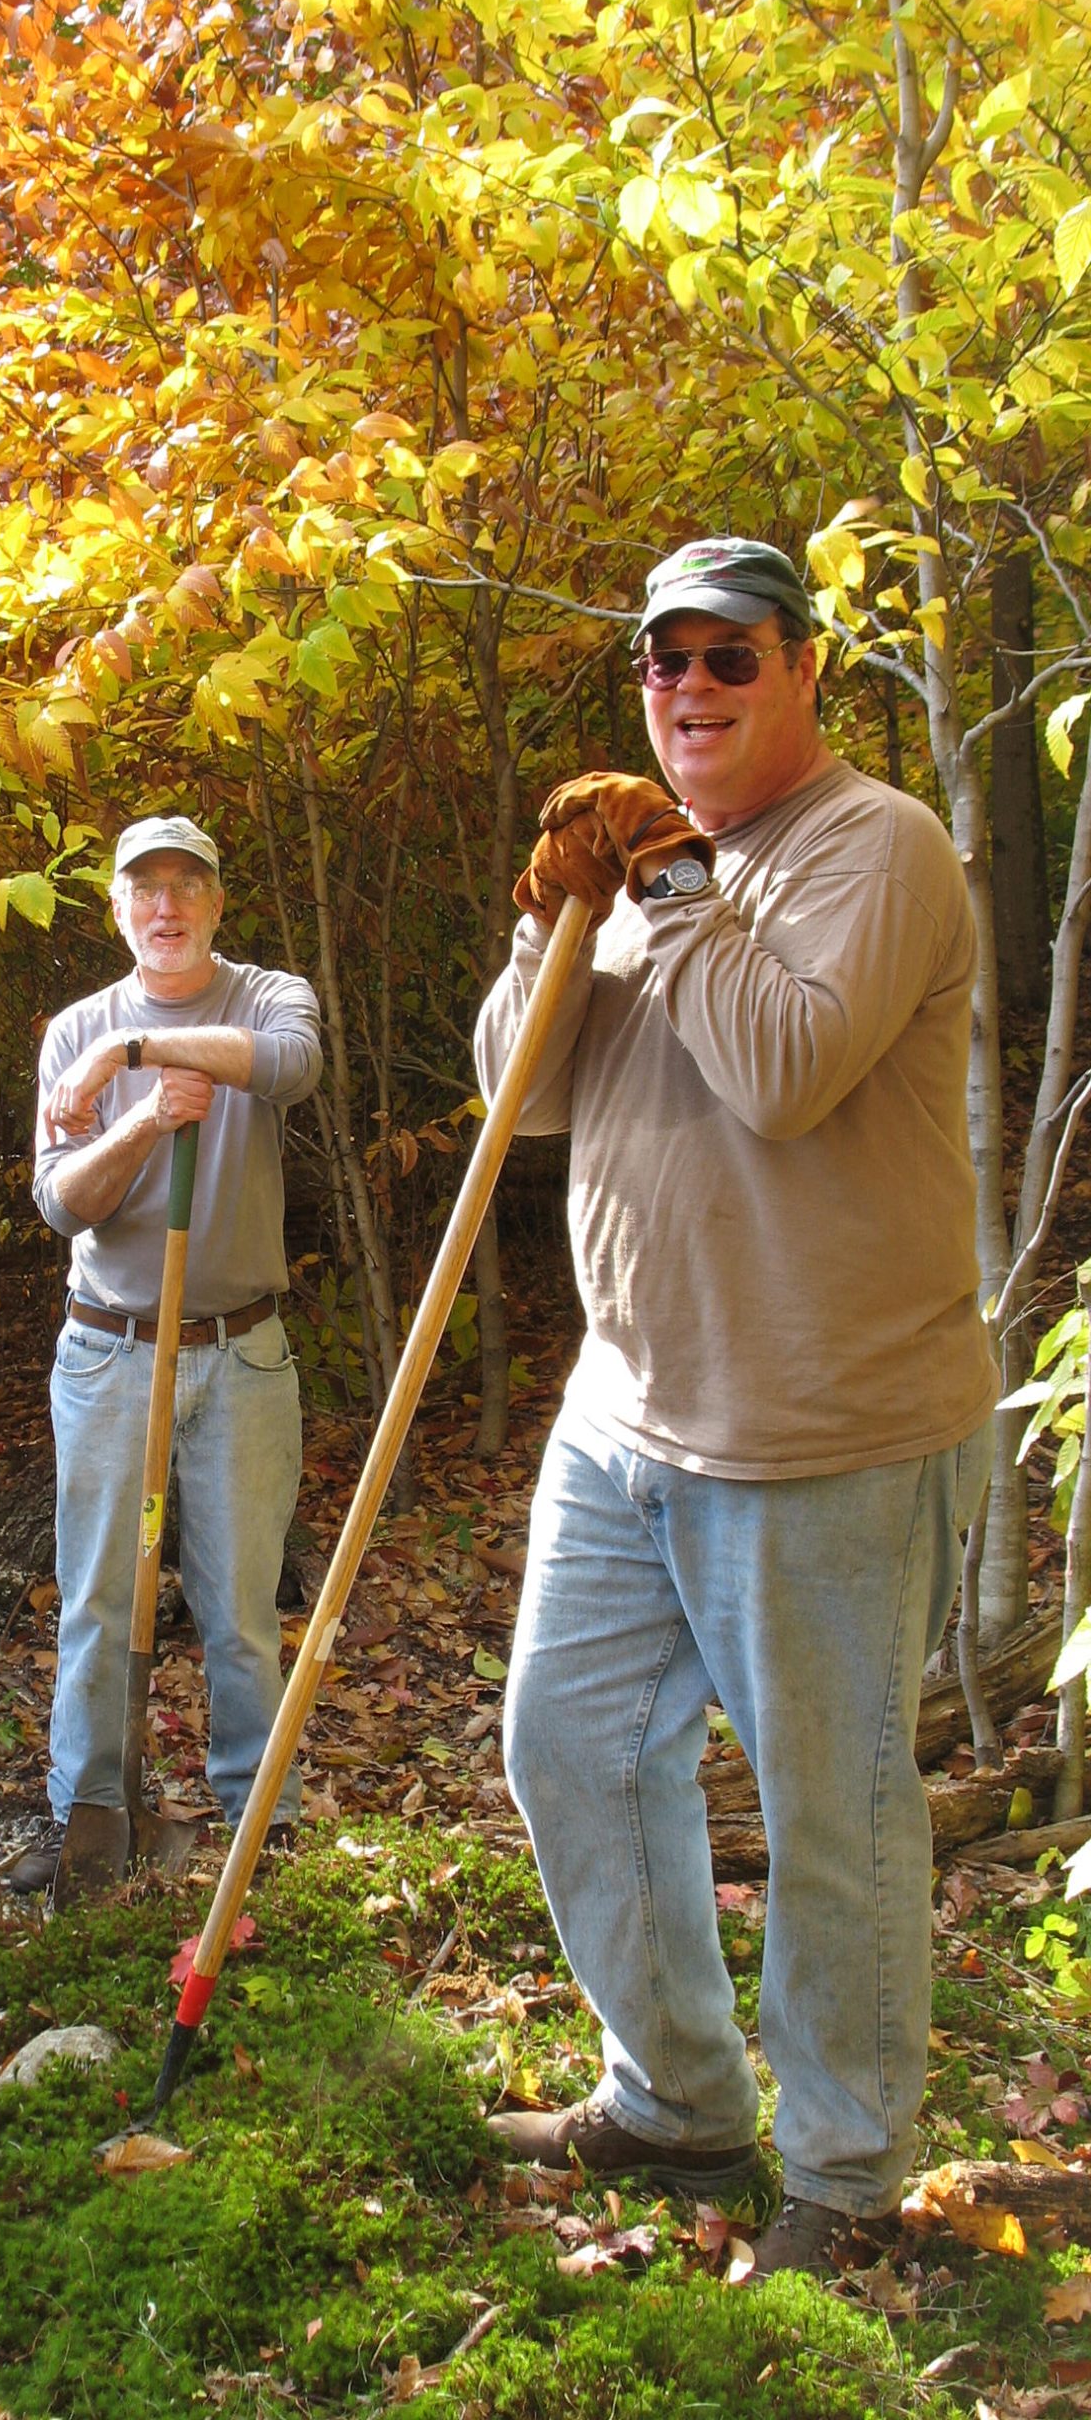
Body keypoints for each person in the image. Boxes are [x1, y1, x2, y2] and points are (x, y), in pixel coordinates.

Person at [474, 537, 997, 2277]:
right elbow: (513, 1098)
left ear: (804, 674)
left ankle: (847, 2181)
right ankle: (680, 2101)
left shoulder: (876, 846)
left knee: (832, 1815)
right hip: (627, 1413)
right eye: (659, 660)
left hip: (825, 1431)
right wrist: (560, 918)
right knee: (569, 1750)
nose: (686, 688)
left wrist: (676, 884)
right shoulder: (636, 877)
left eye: (727, 657)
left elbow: (781, 1074)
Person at [21, 815, 323, 1893]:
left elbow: (292, 1065)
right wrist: (145, 1118)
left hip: (242, 1352)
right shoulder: (76, 1030)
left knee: (242, 1607)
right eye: (143, 888)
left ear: (216, 903)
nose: (166, 907)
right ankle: (93, 1808)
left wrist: (139, 1049)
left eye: (186, 885)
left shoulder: (266, 995)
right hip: (113, 1355)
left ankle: (257, 1820)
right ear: (117, 907)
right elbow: (62, 1203)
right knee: (101, 1599)